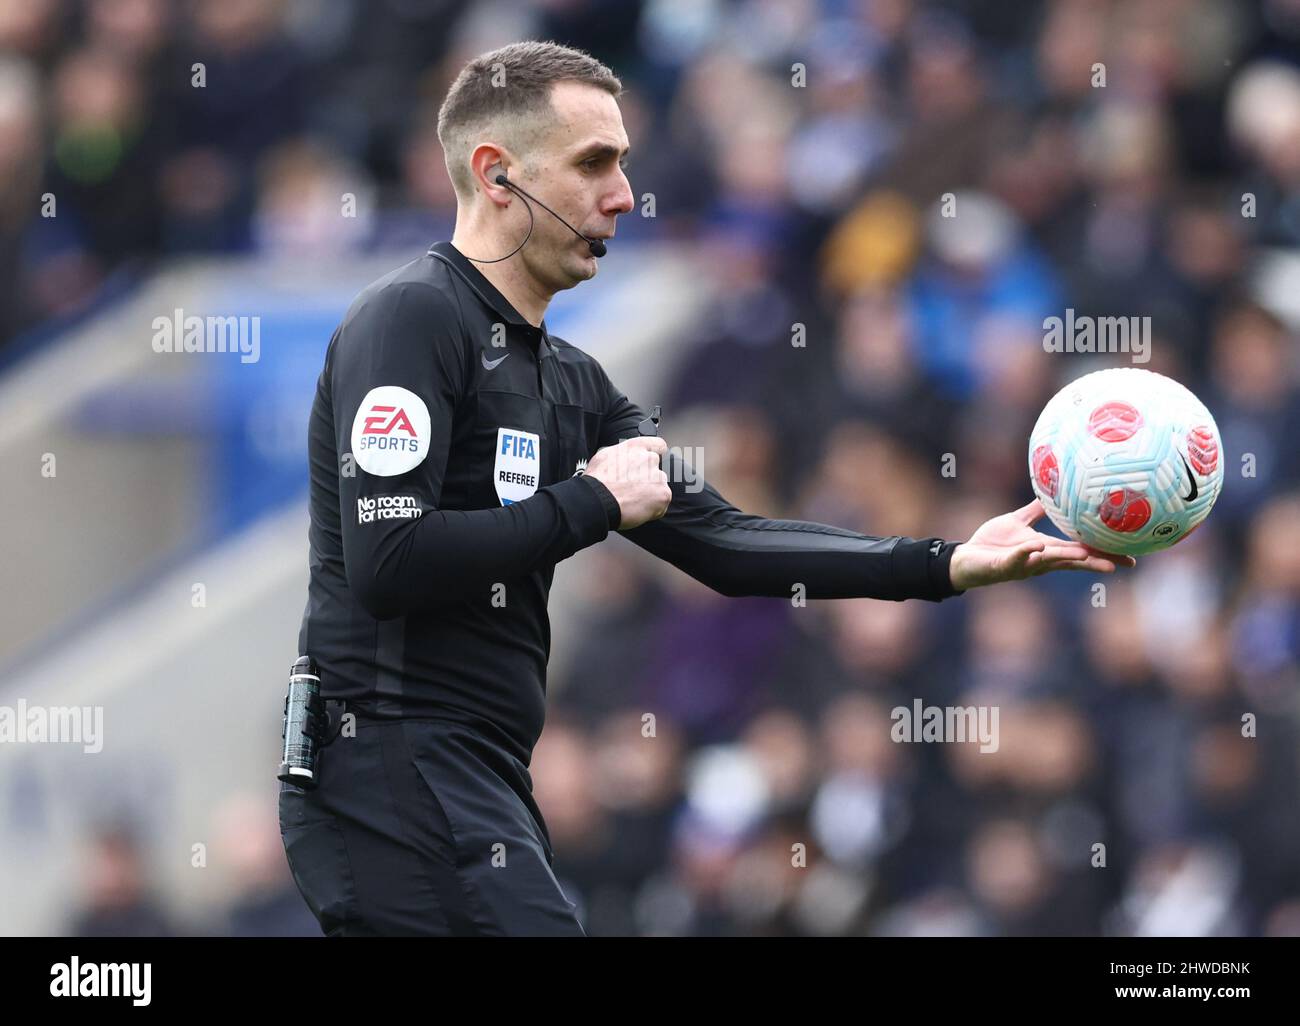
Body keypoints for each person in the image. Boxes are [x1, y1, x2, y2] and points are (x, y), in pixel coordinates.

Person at [279, 40, 1133, 937]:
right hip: (385, 763)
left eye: (625, 162)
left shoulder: (572, 384)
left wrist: (948, 561)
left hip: (477, 777)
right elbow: (389, 559)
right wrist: (590, 507)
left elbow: (726, 543)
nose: (624, 193)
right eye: (594, 163)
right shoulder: (410, 318)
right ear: (496, 174)